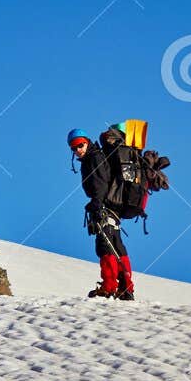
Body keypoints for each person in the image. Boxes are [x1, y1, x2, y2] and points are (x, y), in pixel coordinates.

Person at [68, 126, 137, 300]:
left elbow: (101, 183)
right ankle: (126, 288)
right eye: (74, 147)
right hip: (114, 207)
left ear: (87, 142)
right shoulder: (96, 156)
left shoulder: (94, 157)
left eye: (80, 145)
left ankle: (109, 286)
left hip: (105, 207)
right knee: (116, 245)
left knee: (104, 245)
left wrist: (96, 205)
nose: (78, 150)